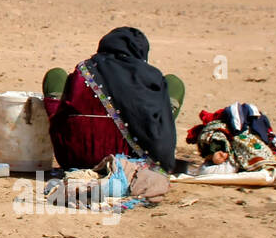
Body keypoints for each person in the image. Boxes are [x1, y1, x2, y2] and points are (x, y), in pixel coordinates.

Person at [42, 26, 184, 172]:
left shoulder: (83, 71)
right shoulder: (148, 78)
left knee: (56, 75)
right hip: (127, 161)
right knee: (173, 84)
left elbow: (62, 113)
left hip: (73, 158)